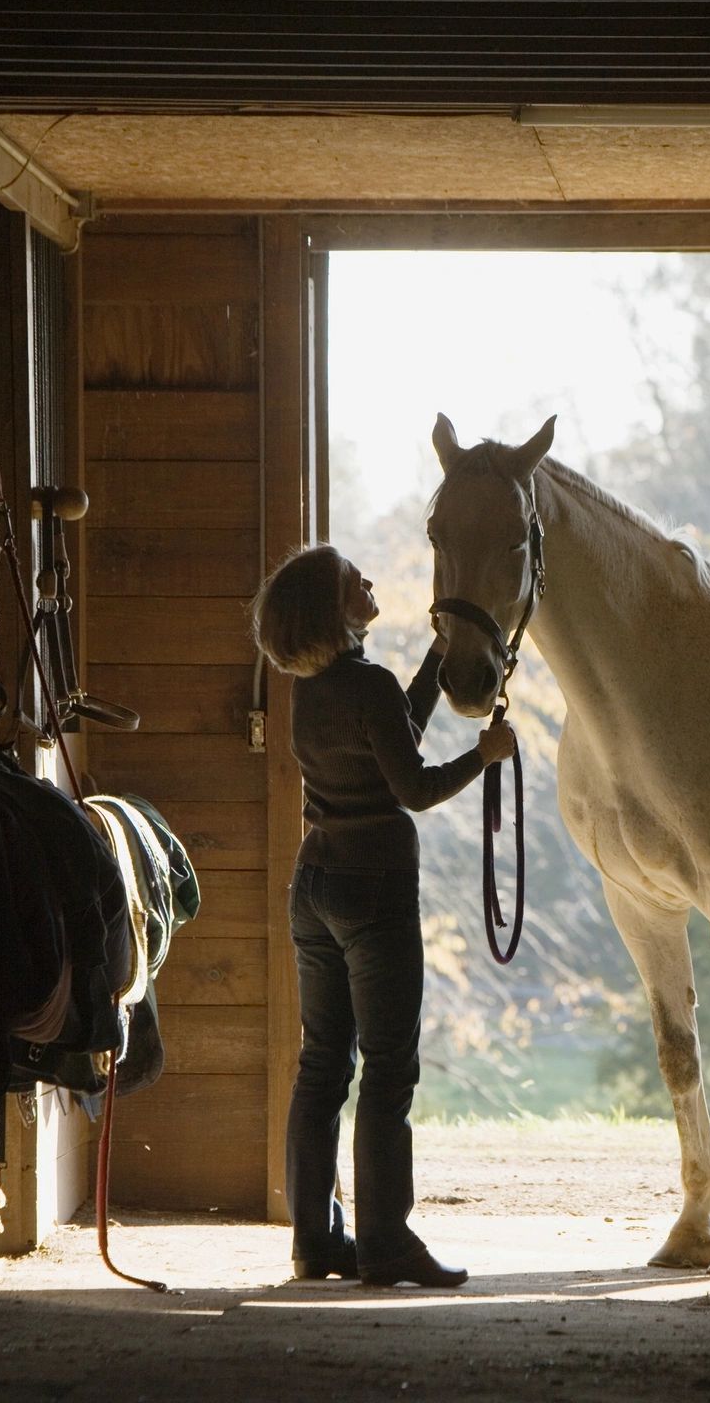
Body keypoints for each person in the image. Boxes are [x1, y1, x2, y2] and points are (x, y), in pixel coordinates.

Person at [251, 544, 515, 1288]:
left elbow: (395, 735)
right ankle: (386, 1243)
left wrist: (437, 658)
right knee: (389, 1068)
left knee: (322, 1064)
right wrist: (485, 755)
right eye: (352, 581)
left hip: (316, 883)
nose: (367, 584)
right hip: (375, 887)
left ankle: (314, 1241)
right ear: (334, 609)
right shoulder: (366, 685)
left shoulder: (315, 689)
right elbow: (415, 785)